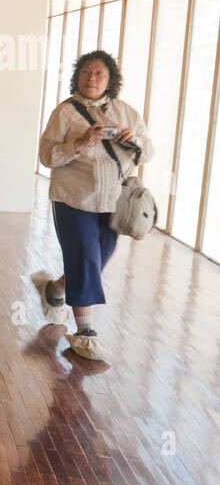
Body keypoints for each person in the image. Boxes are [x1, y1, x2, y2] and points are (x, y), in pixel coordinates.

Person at [36, 49, 152, 362]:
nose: (92, 78)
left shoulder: (126, 112)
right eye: (87, 72)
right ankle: (85, 333)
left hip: (113, 202)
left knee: (99, 258)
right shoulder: (65, 113)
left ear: (111, 79)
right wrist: (82, 142)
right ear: (78, 76)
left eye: (100, 73)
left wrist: (132, 142)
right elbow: (47, 156)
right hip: (73, 199)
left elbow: (148, 152)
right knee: (86, 258)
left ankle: (57, 288)